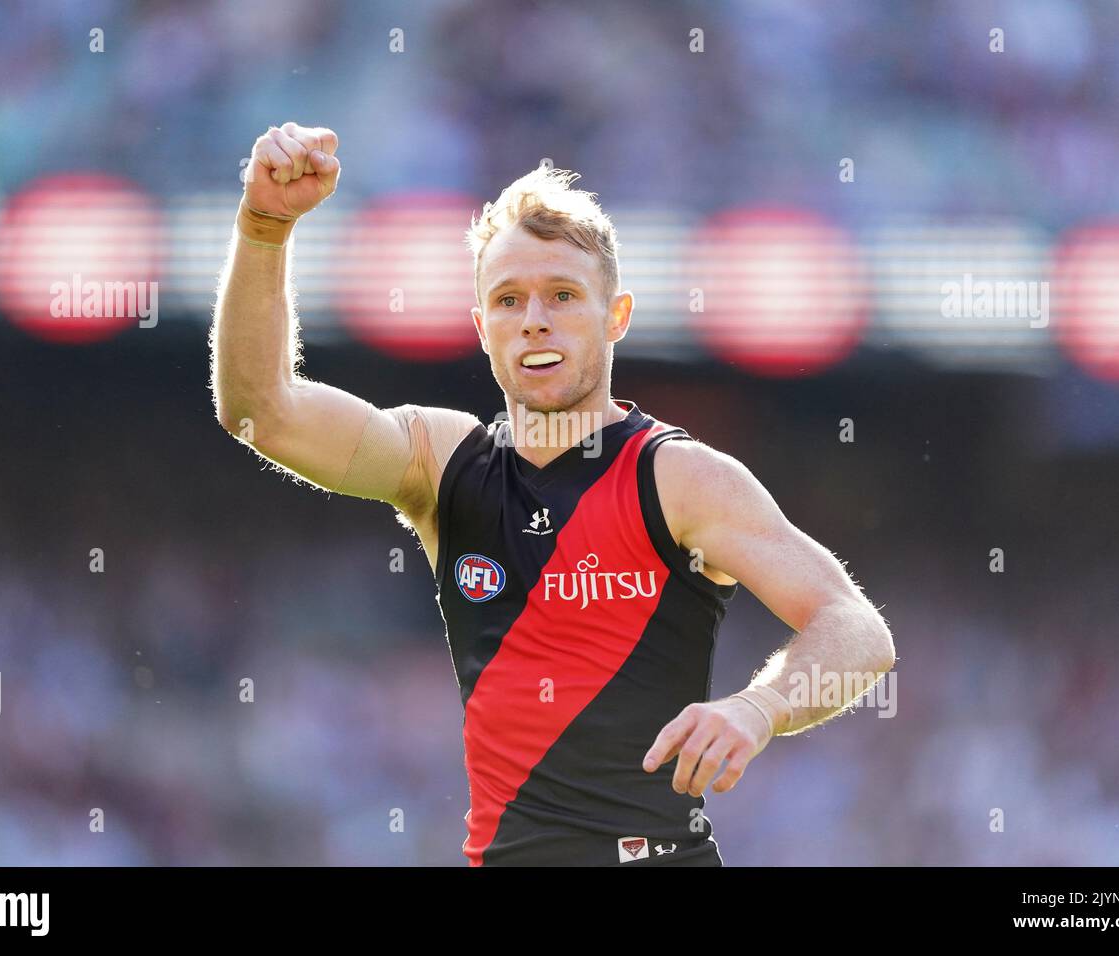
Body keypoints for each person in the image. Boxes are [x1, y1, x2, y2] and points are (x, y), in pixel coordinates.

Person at [210, 123, 896, 866]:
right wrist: (265, 226)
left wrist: (758, 709)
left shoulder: (678, 477)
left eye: (563, 294)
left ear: (616, 318)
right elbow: (259, 409)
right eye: (508, 300)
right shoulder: (443, 462)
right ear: (482, 329)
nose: (534, 317)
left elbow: (856, 629)